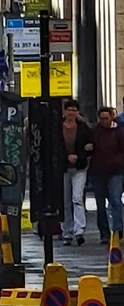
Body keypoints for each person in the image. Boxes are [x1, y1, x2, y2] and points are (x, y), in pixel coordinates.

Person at [60, 98, 94, 243]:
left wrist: (79, 156)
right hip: (63, 167)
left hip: (80, 167)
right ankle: (67, 231)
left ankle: (79, 230)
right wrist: (67, 157)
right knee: (65, 201)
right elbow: (55, 147)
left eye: (74, 110)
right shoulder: (57, 127)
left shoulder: (82, 127)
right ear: (65, 111)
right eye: (69, 110)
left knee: (77, 198)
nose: (72, 113)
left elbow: (90, 144)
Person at [89, 106, 124, 240]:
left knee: (115, 199)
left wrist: (117, 162)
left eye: (106, 118)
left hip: (115, 172)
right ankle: (104, 233)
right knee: (100, 203)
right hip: (98, 171)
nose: (104, 121)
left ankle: (117, 229)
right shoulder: (94, 132)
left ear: (112, 117)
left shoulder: (119, 132)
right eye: (102, 118)